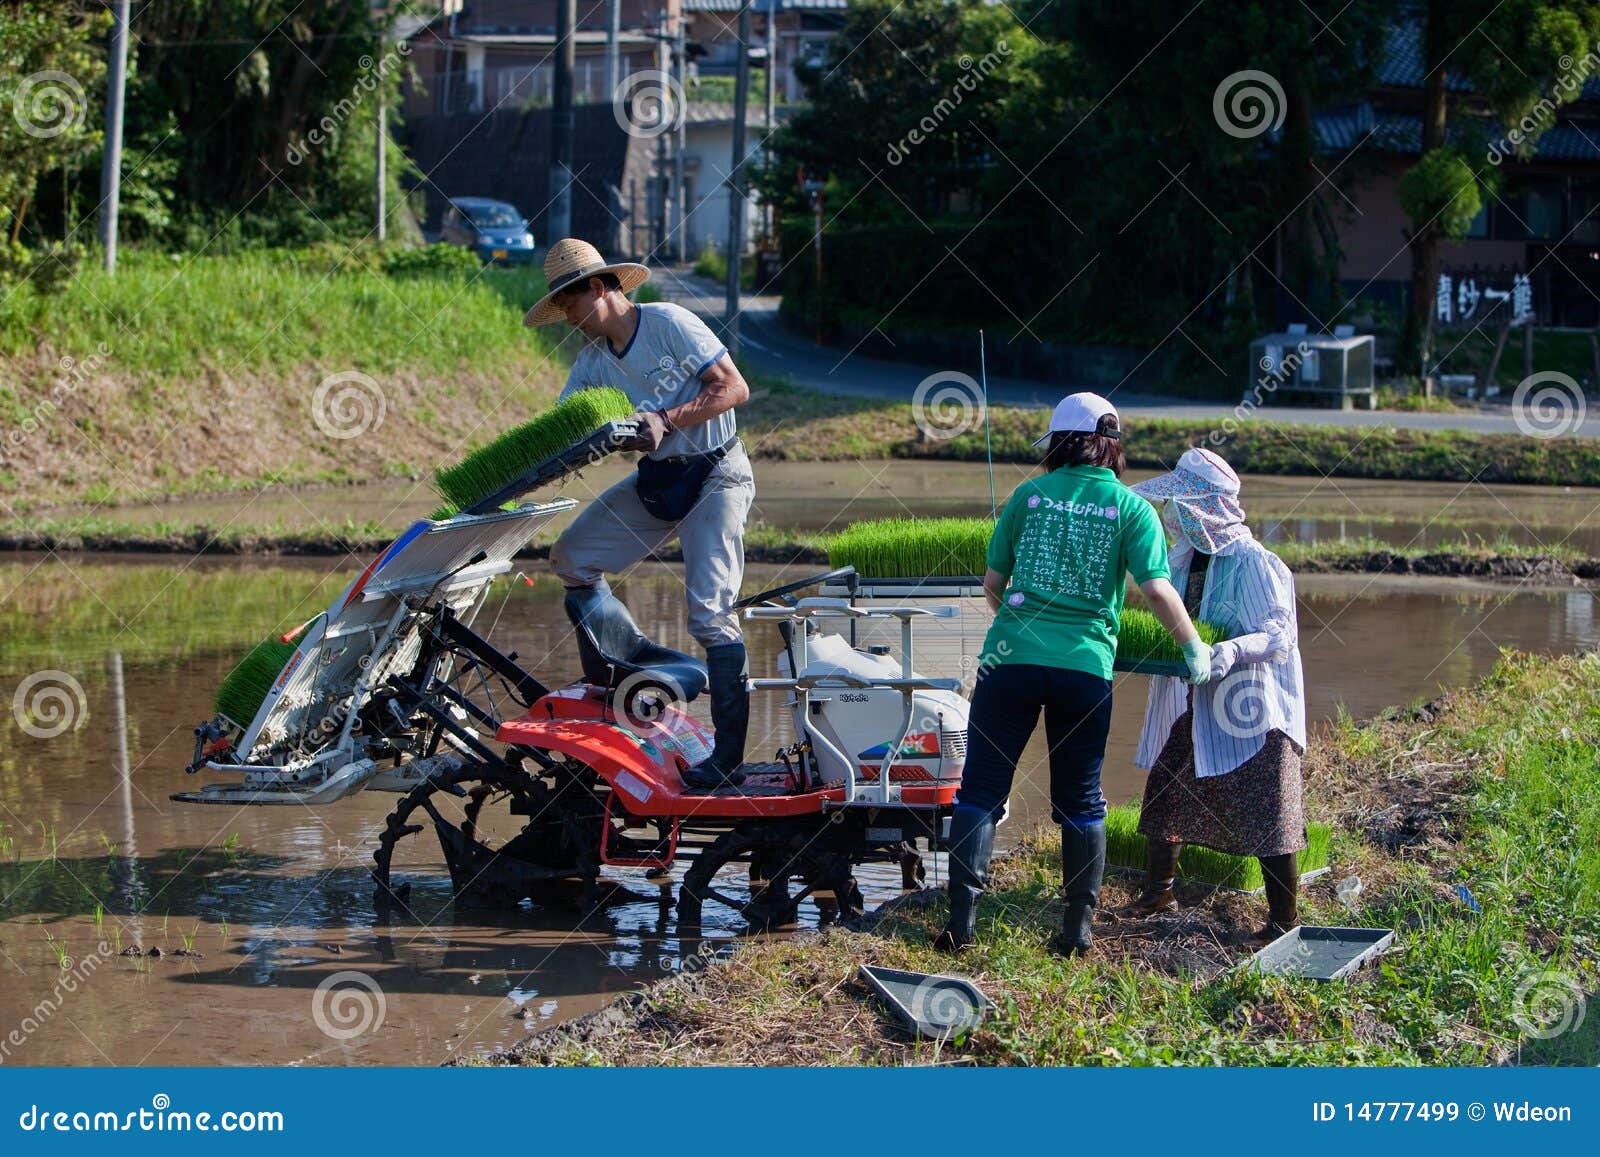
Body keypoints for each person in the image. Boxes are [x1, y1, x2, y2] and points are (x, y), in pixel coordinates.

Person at [935, 393, 1213, 956]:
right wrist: (1192, 646)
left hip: (1009, 662)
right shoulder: (1133, 510)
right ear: (1112, 444)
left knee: (981, 789)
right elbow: (1157, 589)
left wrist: (1017, 625)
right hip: (1084, 668)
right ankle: (1076, 932)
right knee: (1082, 798)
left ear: (1060, 443)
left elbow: (992, 582)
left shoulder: (1028, 496)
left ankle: (960, 924)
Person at [528, 239, 756, 790]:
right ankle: (626, 667)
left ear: (601, 287)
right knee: (572, 559)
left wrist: (666, 418)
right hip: (657, 485)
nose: (567, 316)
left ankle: (726, 762)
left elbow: (733, 387)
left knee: (709, 613)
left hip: (715, 474)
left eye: (570, 302)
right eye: (557, 307)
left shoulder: (670, 324)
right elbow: (563, 432)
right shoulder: (589, 365)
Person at [1126, 447, 1308, 947]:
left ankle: (1282, 921)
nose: (1172, 514)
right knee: (1166, 790)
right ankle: (1159, 892)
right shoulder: (1183, 561)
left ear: (1205, 508)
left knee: (1269, 811)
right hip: (1194, 702)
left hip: (1253, 709)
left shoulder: (1258, 563)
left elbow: (1279, 634)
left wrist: (1228, 650)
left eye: (1181, 506)